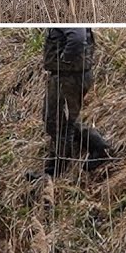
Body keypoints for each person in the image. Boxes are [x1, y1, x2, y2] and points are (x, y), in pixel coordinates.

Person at [42, 28, 114, 176]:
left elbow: (77, 39)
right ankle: (98, 147)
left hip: (69, 77)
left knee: (60, 123)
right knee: (56, 120)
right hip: (66, 76)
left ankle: (55, 172)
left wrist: (65, 59)